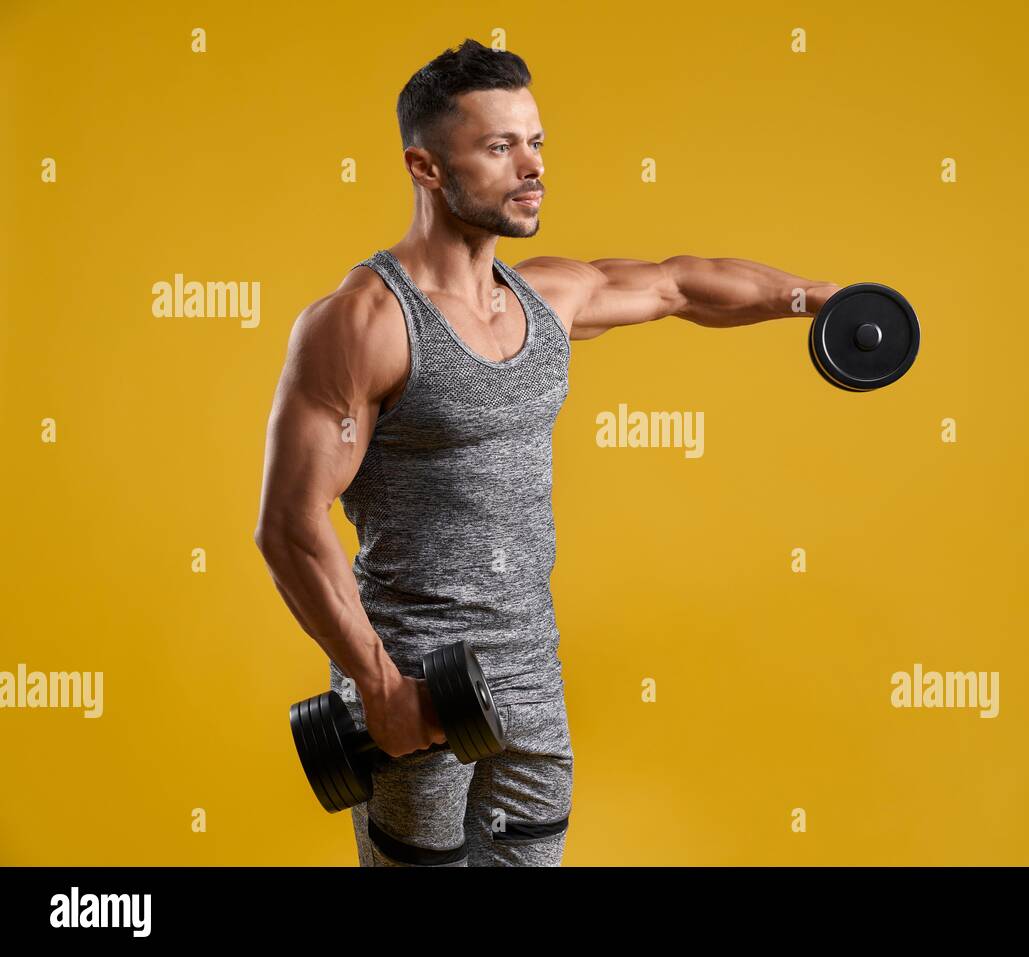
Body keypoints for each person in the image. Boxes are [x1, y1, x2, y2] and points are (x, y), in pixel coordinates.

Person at [254, 38, 839, 866]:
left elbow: (680, 284)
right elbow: (287, 526)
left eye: (536, 143)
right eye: (499, 147)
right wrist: (380, 687)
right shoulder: (363, 324)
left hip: (530, 672)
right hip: (415, 682)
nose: (531, 166)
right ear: (424, 167)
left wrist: (819, 298)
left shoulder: (550, 296)